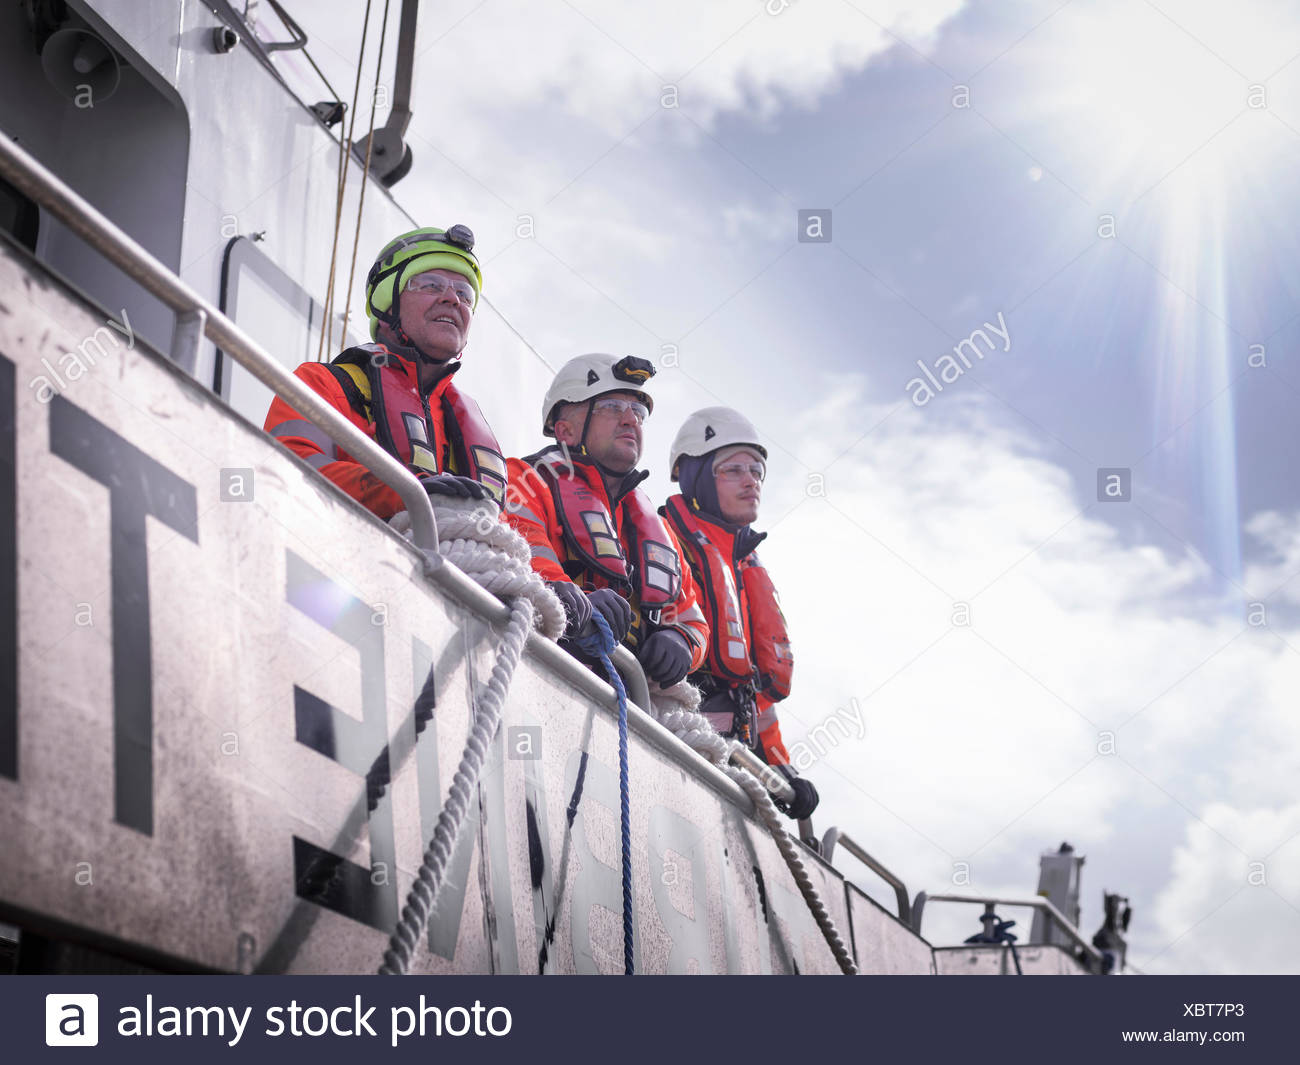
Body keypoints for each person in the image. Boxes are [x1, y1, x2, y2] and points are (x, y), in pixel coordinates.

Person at [264, 224, 507, 518]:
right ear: (386, 304)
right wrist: (405, 495)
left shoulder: (472, 426)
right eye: (430, 284)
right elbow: (284, 469)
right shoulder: (324, 386)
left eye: (465, 293)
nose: (452, 299)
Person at [504, 354, 708, 687]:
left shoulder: (664, 535)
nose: (631, 420)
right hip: (537, 669)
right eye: (612, 407)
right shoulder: (525, 481)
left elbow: (692, 619)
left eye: (638, 412)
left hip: (626, 701)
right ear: (565, 430)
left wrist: (684, 642)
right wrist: (570, 599)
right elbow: (517, 550)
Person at [660, 407, 819, 821]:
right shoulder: (659, 541)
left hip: (735, 765)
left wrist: (781, 769)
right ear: (696, 477)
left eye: (757, 470)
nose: (751, 481)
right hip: (672, 748)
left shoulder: (742, 567)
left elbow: (754, 699)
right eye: (733, 470)